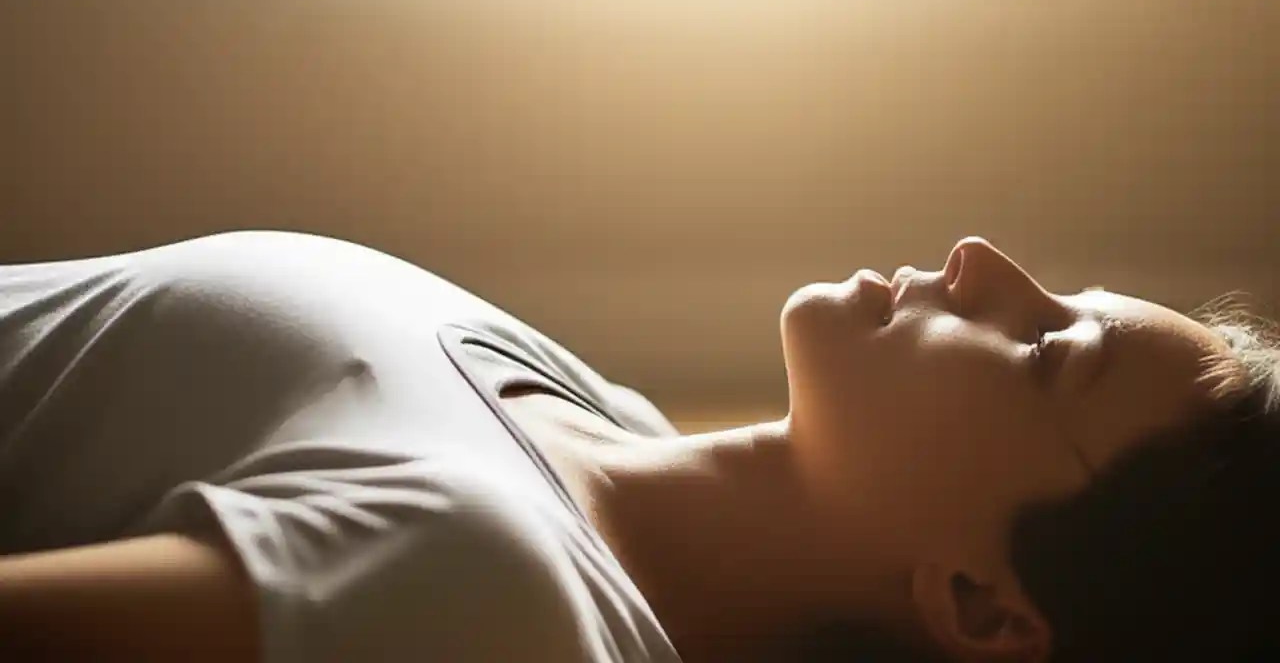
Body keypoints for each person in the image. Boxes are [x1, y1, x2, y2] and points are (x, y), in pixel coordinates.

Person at [0, 230, 1275, 663]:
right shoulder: (606, 424)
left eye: (1047, 351)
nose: (983, 262)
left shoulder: (493, 594)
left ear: (985, 610)